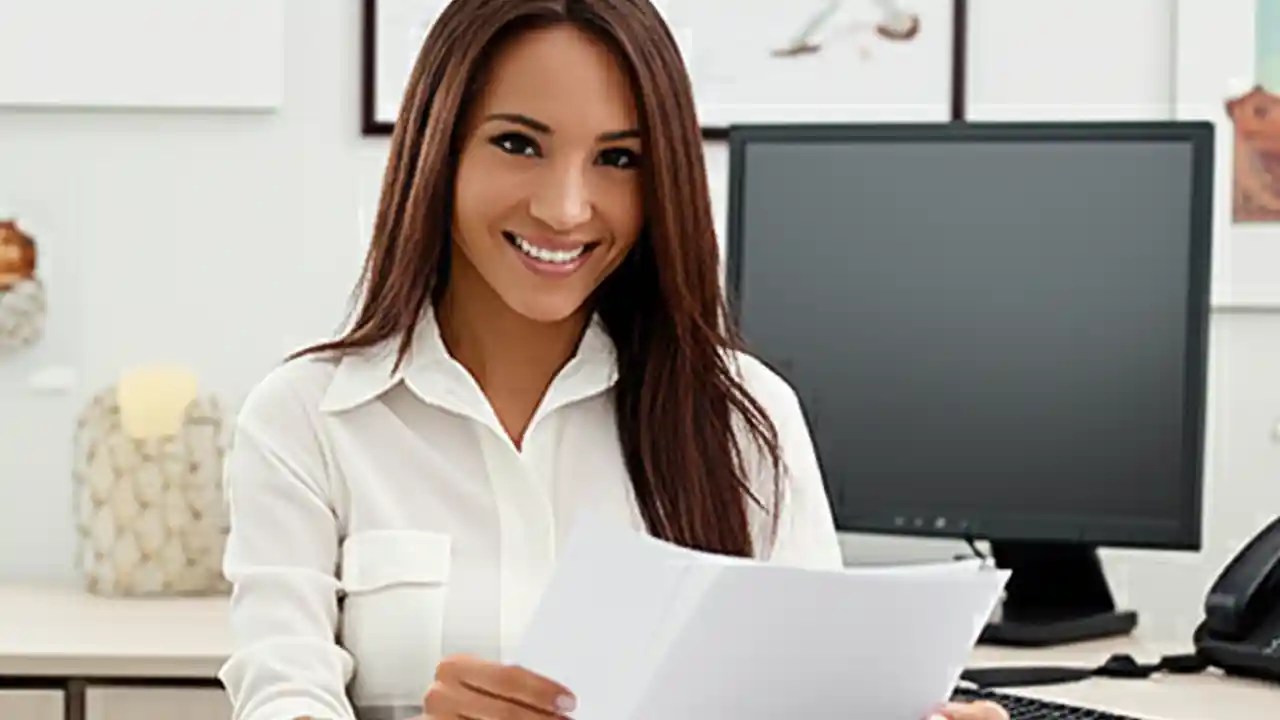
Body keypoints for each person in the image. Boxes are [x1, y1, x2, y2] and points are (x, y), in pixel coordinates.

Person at [217, 1, 1009, 719]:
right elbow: (283, 698)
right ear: (438, 150)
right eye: (518, 144)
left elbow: (821, 705)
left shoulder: (747, 417)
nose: (565, 207)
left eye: (619, 159)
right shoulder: (306, 421)